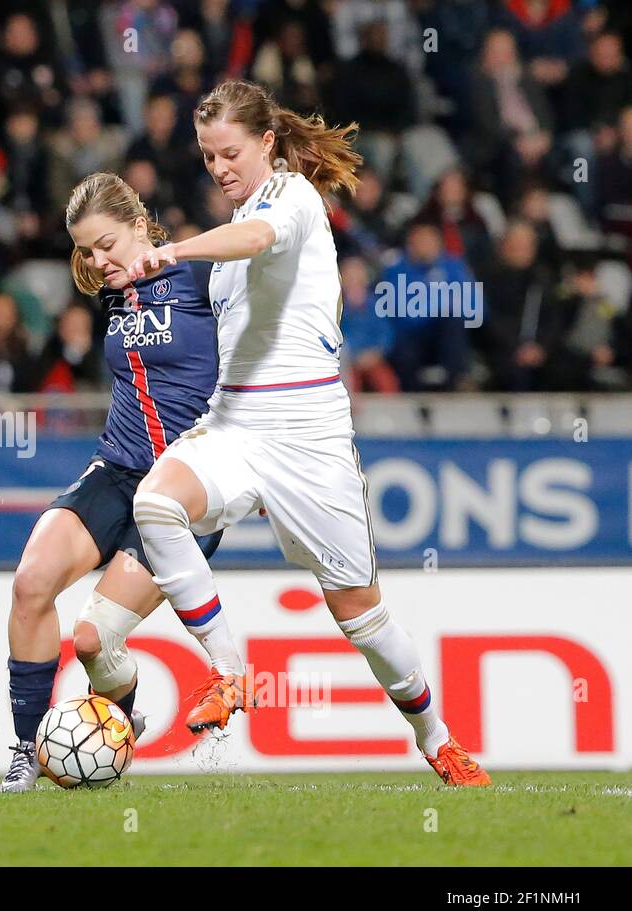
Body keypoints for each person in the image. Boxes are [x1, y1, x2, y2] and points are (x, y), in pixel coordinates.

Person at [125, 80, 490, 786]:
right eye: (207, 157)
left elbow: (256, 238)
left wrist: (174, 252)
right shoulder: (225, 238)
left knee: (362, 617)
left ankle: (436, 738)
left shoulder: (290, 200)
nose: (219, 168)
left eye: (229, 152)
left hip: (308, 438)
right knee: (156, 502)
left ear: (265, 142)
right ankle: (229, 673)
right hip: (233, 425)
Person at [0, 172, 222, 792]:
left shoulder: (202, 276)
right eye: (86, 252)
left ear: (140, 225)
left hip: (182, 492)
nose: (97, 262)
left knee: (94, 639)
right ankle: (26, 748)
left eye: (106, 245)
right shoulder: (114, 292)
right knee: (30, 583)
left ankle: (118, 720)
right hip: (116, 469)